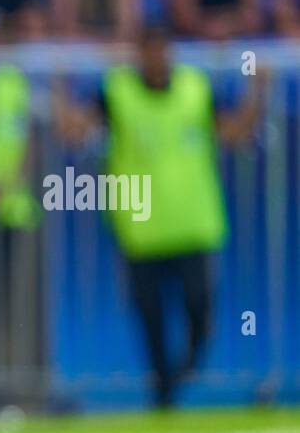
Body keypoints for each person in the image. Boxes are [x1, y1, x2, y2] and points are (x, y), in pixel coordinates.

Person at [53, 26, 266, 407]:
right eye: (148, 51)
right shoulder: (117, 92)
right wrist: (58, 86)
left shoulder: (195, 89)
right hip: (142, 229)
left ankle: (183, 372)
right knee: (149, 317)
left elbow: (234, 132)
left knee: (199, 310)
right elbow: (75, 129)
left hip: (193, 224)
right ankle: (162, 394)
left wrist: (258, 91)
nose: (155, 59)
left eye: (161, 51)